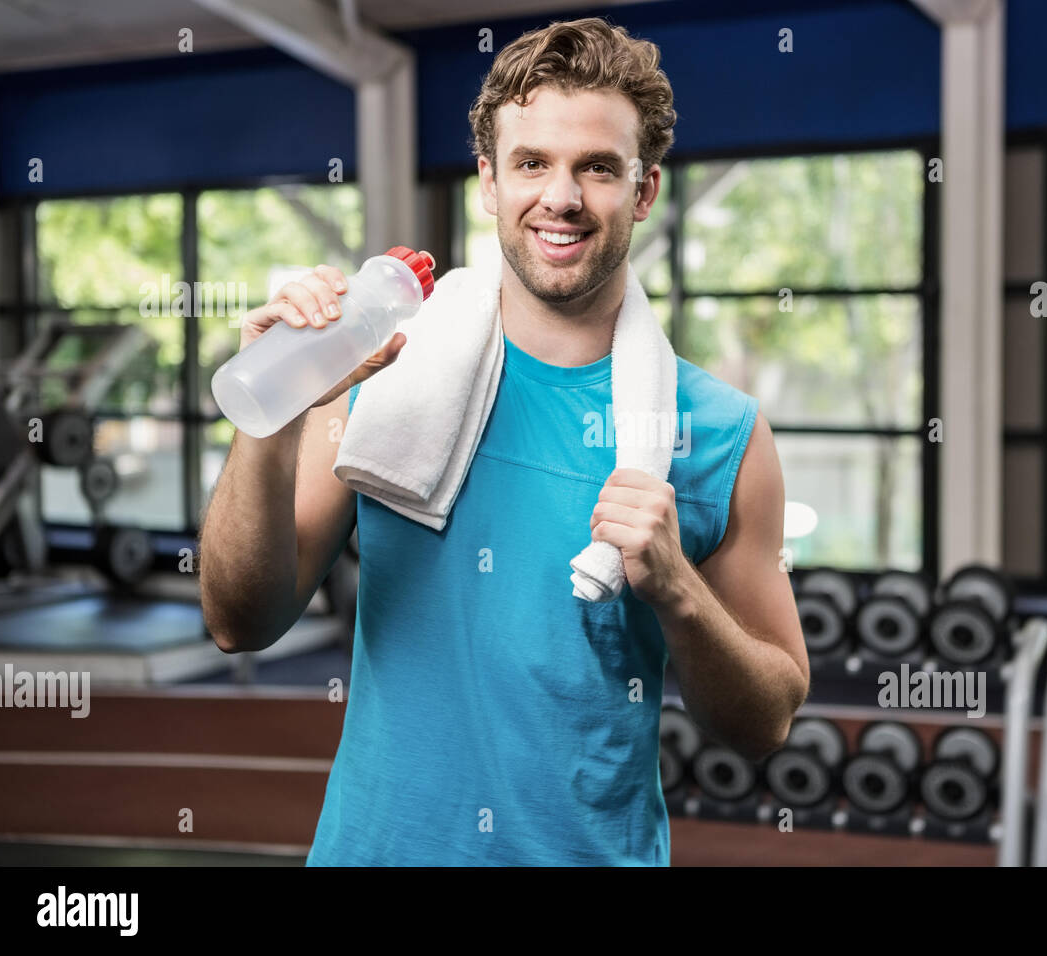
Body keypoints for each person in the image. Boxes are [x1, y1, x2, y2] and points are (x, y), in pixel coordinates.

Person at [200, 16, 807, 866]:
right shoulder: (381, 371)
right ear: (489, 181)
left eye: (597, 167)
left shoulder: (719, 434)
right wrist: (271, 411)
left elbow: (768, 719)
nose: (561, 196)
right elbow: (238, 621)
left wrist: (676, 590)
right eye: (532, 163)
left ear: (644, 191)